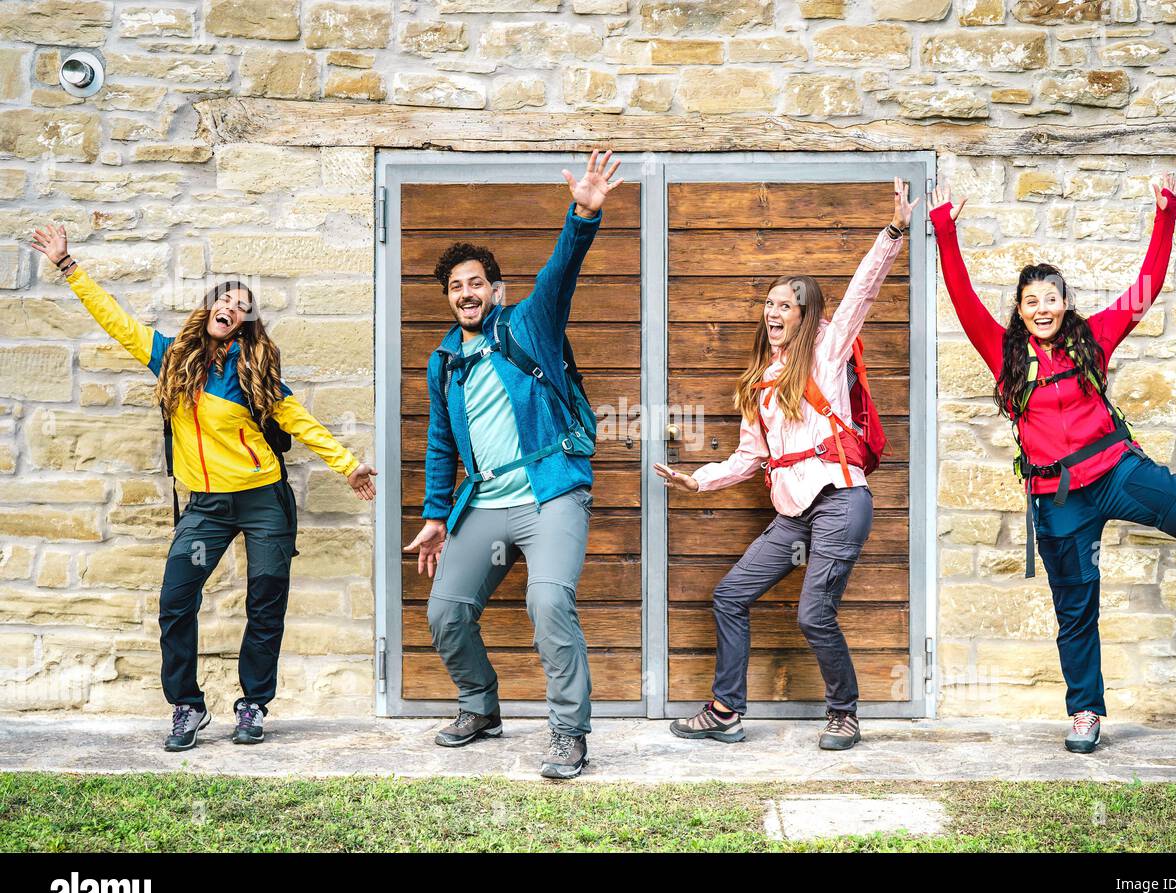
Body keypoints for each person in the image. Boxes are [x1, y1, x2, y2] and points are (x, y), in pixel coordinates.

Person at [29, 225, 378, 751]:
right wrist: (68, 265)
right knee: (176, 600)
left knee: (265, 601)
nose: (232, 309)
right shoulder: (170, 358)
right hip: (207, 509)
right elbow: (115, 319)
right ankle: (187, 707)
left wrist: (347, 464)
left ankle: (253, 704)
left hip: (264, 502)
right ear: (209, 308)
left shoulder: (253, 372)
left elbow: (299, 420)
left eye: (243, 308)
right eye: (225, 301)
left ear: (245, 325)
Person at [926, 172, 1176, 754]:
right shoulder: (1002, 353)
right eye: (1030, 302)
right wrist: (945, 229)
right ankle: (1086, 713)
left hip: (1117, 472)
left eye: (1050, 298)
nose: (1041, 308)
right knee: (1075, 608)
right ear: (1019, 312)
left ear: (1065, 303)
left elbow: (1144, 289)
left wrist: (1166, 214)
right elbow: (962, 295)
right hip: (1058, 499)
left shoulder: (1093, 338)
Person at [654, 177, 916, 751]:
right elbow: (751, 458)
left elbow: (861, 295)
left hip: (842, 501)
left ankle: (843, 713)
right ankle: (725, 712)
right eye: (768, 303)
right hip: (793, 513)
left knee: (812, 614)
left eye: (783, 305)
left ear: (803, 316)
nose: (772, 311)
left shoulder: (827, 351)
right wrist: (697, 480)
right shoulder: (759, 382)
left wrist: (893, 233)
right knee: (729, 596)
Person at [403, 150, 622, 779]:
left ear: (493, 291)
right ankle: (480, 706)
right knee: (446, 611)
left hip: (551, 494)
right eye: (454, 287)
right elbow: (442, 445)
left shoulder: (529, 323)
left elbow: (562, 269)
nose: (465, 293)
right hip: (487, 503)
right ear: (448, 298)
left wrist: (582, 212)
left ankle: (567, 732)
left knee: (549, 602)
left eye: (475, 283)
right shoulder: (443, 362)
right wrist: (436, 517)